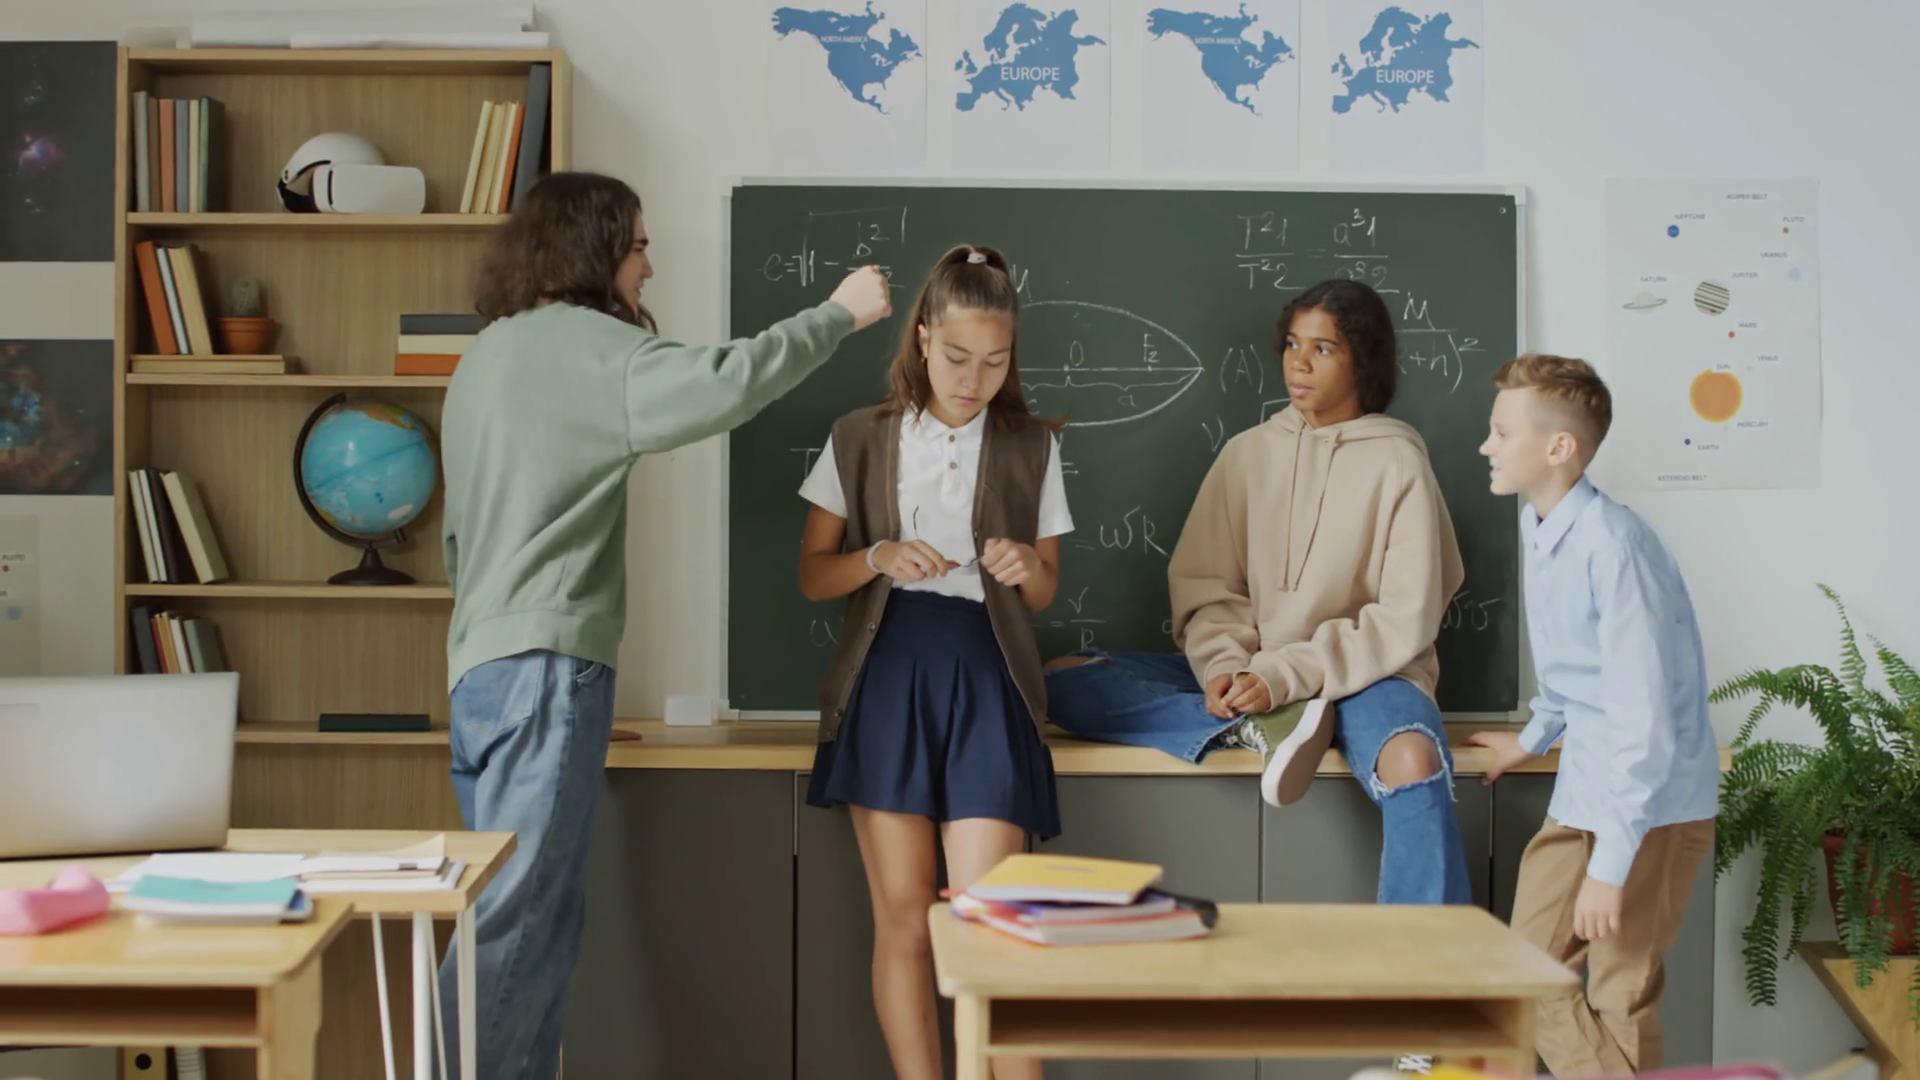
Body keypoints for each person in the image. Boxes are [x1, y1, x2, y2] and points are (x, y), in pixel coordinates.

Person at [435, 170, 891, 1080]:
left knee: (519, 923)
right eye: (639, 244)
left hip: (485, 677)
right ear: (594, 249)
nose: (650, 265)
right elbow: (727, 382)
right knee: (518, 928)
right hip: (542, 676)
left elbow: (461, 540)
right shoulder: (592, 350)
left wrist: (568, 691)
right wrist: (838, 314)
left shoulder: (487, 356)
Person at [1043, 278, 1473, 910]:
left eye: (1324, 349)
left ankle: (1429, 971)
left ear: (1364, 360)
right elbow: (1209, 588)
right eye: (1293, 344)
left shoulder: (1399, 461)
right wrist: (1228, 670)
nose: (1298, 362)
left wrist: (1287, 675)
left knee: (1414, 761)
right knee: (1062, 679)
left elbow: (1403, 617)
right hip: (1259, 673)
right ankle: (1258, 727)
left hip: (1367, 677)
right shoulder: (1245, 455)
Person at [797, 243, 1069, 1080]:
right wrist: (876, 555)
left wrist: (1028, 570)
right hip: (887, 680)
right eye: (957, 356)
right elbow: (814, 576)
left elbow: (1046, 589)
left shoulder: (1032, 445)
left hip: (988, 679)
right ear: (920, 338)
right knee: (907, 921)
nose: (973, 377)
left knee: (995, 922)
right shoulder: (858, 438)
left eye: (994, 361)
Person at [1469, 354, 1720, 1077]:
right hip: (1584, 790)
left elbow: (1644, 719)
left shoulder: (1615, 546)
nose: (1486, 447)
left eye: (1500, 432)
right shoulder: (1539, 524)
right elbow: (1573, 669)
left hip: (1650, 808)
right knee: (1524, 976)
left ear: (1559, 448)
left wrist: (1611, 866)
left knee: (1619, 994)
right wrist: (1535, 736)